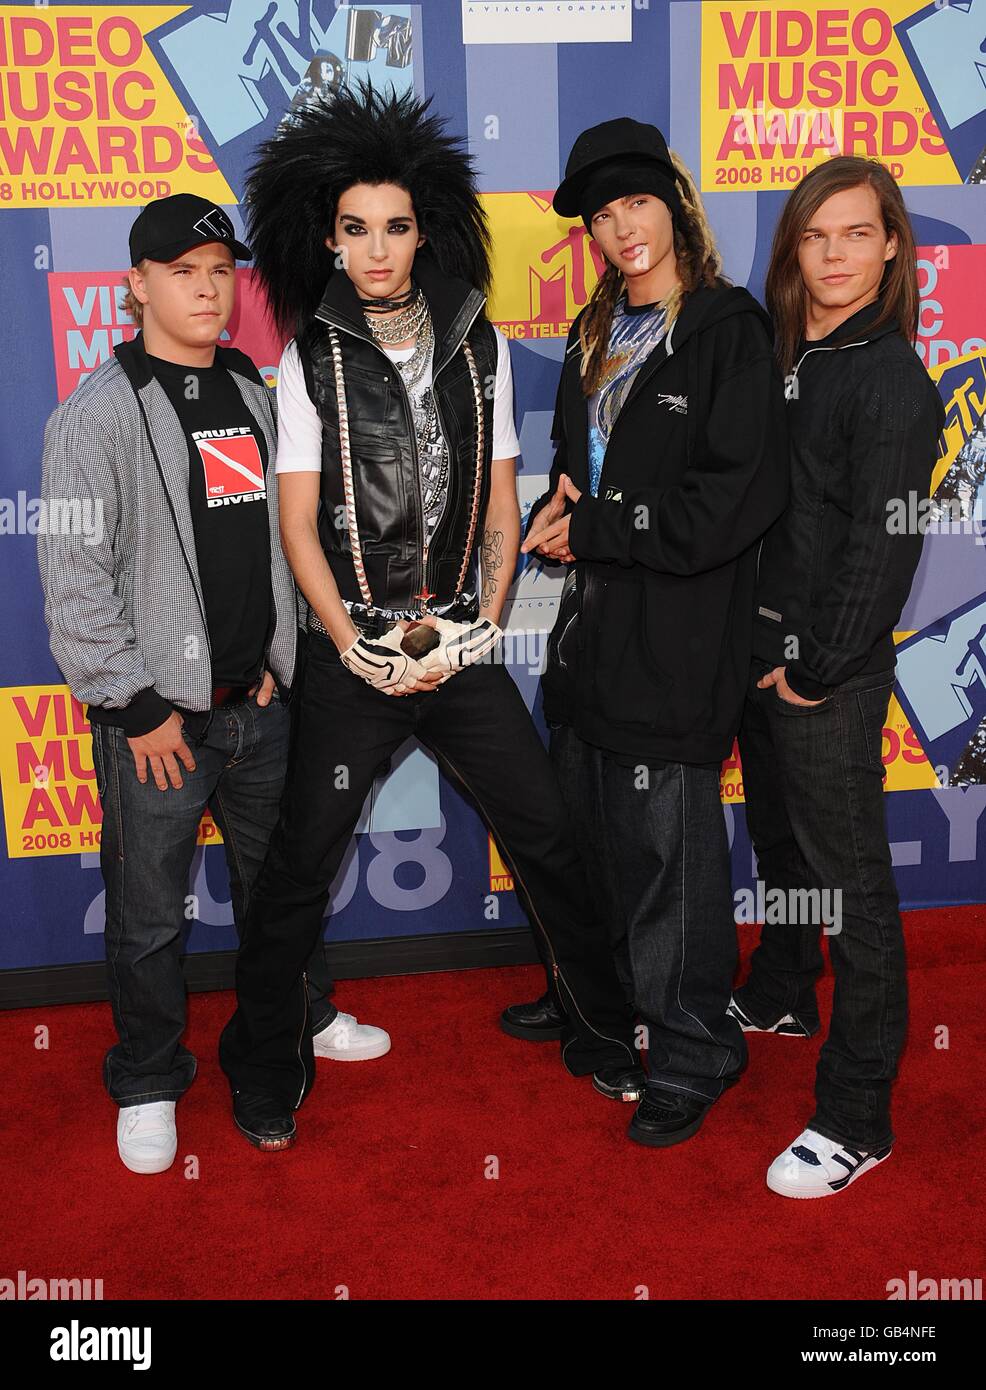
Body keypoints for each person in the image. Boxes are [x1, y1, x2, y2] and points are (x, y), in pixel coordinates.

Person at [218, 81, 642, 1150]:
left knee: (546, 830)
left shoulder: (478, 341)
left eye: (394, 227)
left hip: (457, 639)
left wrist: (482, 621)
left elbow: (500, 498)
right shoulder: (304, 355)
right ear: (328, 234)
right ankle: (263, 1061)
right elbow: (298, 524)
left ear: (425, 230)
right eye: (354, 229)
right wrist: (353, 643)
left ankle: (601, 1029)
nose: (375, 250)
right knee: (297, 865)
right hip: (349, 653)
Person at [37, 193, 384, 1177]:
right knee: (148, 917)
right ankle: (149, 1076)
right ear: (136, 286)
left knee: (282, 890)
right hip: (156, 725)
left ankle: (302, 1016)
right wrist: (138, 706)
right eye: (182, 271)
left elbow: (280, 541)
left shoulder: (250, 388)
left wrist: (275, 660)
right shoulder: (90, 420)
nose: (204, 288)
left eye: (219, 271)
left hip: (257, 710)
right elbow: (72, 586)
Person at [516, 119, 789, 1147]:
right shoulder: (592, 333)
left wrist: (595, 525)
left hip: (676, 644)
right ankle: (601, 1001)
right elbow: (576, 475)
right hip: (588, 635)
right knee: (589, 836)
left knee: (667, 859)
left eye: (633, 202)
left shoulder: (724, 330)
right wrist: (560, 514)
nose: (617, 227)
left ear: (673, 205)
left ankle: (692, 1048)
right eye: (598, 215)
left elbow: (730, 504)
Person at [727, 156, 946, 1197]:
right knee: (780, 842)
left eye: (856, 234)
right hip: (759, 659)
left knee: (853, 889)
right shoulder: (784, 350)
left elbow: (880, 550)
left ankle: (858, 1115)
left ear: (891, 245)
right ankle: (779, 986)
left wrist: (814, 670)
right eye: (815, 236)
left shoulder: (890, 379)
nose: (834, 256)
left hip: (823, 674)